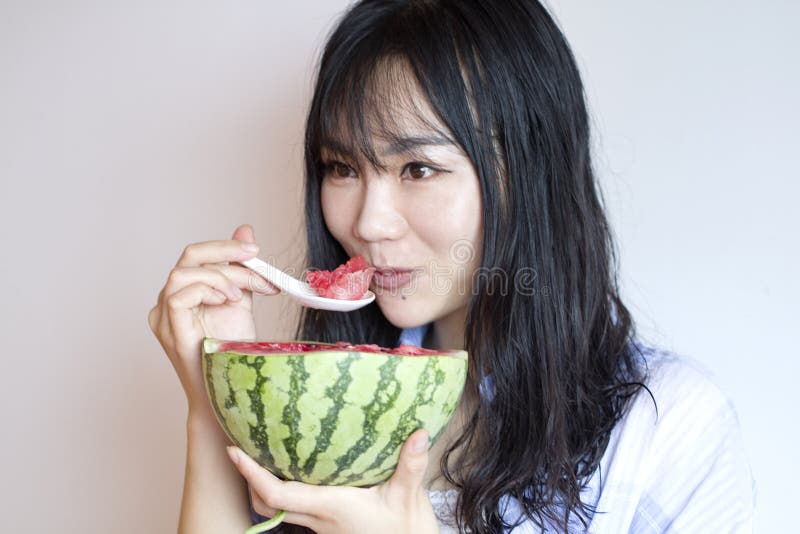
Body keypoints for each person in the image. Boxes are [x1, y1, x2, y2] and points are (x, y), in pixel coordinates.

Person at [148, 1, 756, 532]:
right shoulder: (314, 399)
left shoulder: (668, 428)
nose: (366, 222)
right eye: (341, 167)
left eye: (418, 169)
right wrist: (212, 401)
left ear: (528, 177)